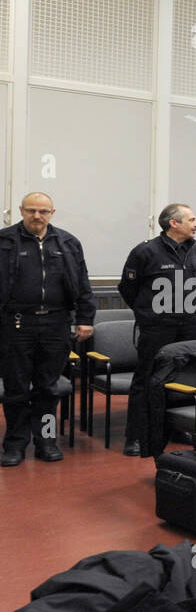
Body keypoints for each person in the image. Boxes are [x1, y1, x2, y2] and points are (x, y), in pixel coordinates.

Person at [0, 192, 94, 467]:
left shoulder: (67, 243)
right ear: (21, 210)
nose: (37, 216)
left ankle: (47, 441)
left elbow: (83, 283)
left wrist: (86, 318)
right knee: (16, 388)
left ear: (52, 212)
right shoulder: (5, 241)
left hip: (56, 324)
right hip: (16, 324)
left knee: (49, 388)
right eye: (31, 210)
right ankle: (15, 444)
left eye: (43, 211)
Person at [118, 203, 196, 456]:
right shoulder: (145, 251)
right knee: (146, 380)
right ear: (173, 223)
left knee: (184, 378)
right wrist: (148, 313)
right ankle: (136, 435)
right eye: (192, 219)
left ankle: (177, 426)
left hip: (189, 325)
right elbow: (128, 288)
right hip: (157, 327)